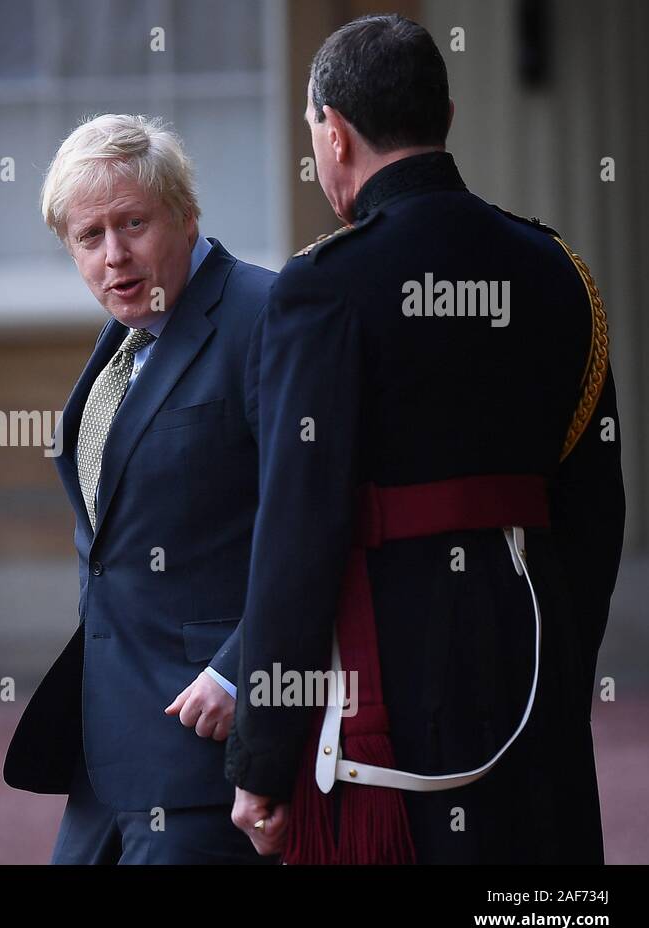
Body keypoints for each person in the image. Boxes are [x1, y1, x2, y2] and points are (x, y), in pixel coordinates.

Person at [225, 15, 625, 864]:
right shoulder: (560, 268)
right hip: (535, 654)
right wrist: (557, 668)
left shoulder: (321, 288)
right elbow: (595, 512)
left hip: (394, 692)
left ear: (332, 132)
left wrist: (262, 757)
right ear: (446, 117)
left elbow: (295, 538)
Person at [1, 114, 277, 863]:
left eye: (133, 224)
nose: (114, 256)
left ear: (187, 217)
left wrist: (242, 670)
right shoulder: (126, 338)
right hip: (105, 752)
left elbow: (318, 520)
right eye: (89, 238)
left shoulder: (266, 316)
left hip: (206, 747)